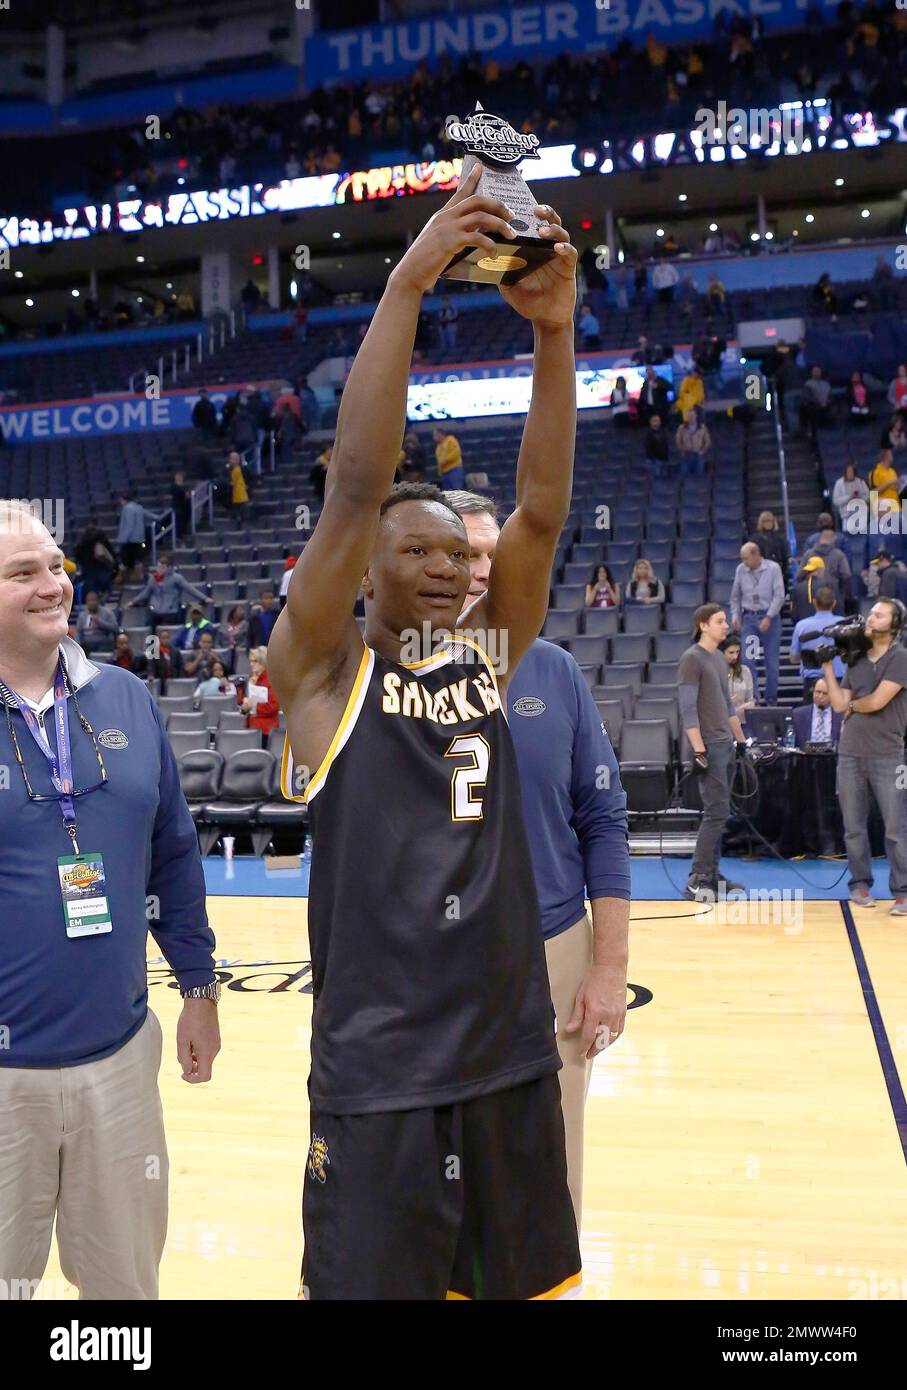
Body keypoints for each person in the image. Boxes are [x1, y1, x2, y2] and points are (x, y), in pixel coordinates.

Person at [268, 165, 582, 1300]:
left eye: (460, 554)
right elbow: (356, 485)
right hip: (382, 1075)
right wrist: (407, 280)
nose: (451, 567)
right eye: (424, 552)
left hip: (503, 1053)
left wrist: (555, 336)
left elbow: (541, 512)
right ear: (369, 571)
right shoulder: (322, 673)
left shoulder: (490, 660)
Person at [0, 499, 219, 1300]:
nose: (52, 584)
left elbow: (174, 852)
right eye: (23, 572)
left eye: (56, 565)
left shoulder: (126, 697)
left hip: (121, 1062)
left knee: (123, 1292)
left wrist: (199, 989)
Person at [444, 489, 630, 1233]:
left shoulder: (554, 672)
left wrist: (609, 968)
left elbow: (604, 820)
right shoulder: (376, 676)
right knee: (432, 1168)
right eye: (464, 553)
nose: (483, 570)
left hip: (550, 946)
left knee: (548, 1168)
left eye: (494, 553)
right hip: (431, 959)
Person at [822, 598, 907, 914]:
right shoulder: (855, 660)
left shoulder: (901, 658)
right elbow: (838, 704)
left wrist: (853, 706)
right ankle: (860, 883)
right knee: (853, 825)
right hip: (850, 754)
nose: (871, 618)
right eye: (871, 613)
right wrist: (828, 667)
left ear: (895, 625)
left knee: (896, 828)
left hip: (890, 755)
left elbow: (874, 702)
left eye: (879, 614)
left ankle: (902, 891)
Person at [678, 603, 746, 902]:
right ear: (703, 624)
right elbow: (687, 707)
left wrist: (741, 741)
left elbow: (728, 706)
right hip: (707, 745)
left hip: (724, 744)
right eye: (719, 621)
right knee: (715, 812)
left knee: (721, 813)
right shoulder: (692, 659)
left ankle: (713, 875)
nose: (725, 626)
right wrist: (698, 748)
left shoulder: (719, 659)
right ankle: (698, 877)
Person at [730, 541, 785, 703]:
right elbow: (735, 597)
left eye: (746, 558)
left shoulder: (773, 568)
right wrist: (735, 615)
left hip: (771, 620)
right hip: (750, 620)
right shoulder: (741, 570)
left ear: (756, 554)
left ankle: (771, 698)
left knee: (771, 662)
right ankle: (754, 697)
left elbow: (779, 595)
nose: (744, 562)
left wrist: (769, 616)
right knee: (749, 659)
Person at [125, 554, 209, 632]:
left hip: (171, 612)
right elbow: (145, 593)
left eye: (162, 567)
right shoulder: (153, 579)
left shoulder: (176, 578)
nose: (160, 569)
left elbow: (190, 589)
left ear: (168, 568)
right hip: (156, 611)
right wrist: (133, 601)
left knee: (165, 634)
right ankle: (152, 648)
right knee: (151, 632)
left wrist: (205, 598)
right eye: (158, 567)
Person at [789, 584, 845, 700]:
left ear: (814, 602)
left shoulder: (801, 626)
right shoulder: (844, 625)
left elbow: (793, 658)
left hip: (812, 683)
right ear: (834, 603)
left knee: (810, 717)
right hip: (839, 681)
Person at [792, 677, 843, 749]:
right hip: (805, 758)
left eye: (825, 693)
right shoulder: (797, 715)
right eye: (818, 692)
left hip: (832, 757)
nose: (820, 696)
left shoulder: (841, 715)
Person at [239, 646, 279, 735]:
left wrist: (253, 706)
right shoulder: (251, 678)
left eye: (255, 661)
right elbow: (243, 700)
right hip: (251, 727)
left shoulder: (272, 680)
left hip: (266, 730)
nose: (251, 664)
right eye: (251, 661)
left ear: (263, 662)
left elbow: (273, 707)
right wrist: (244, 706)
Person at [115, 493, 147, 583]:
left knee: (124, 559)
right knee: (137, 558)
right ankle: (137, 576)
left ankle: (121, 577)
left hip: (130, 539)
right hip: (139, 538)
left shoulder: (127, 508)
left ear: (123, 499)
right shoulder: (139, 507)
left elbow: (129, 525)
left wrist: (123, 539)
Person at [722, 634, 755, 720]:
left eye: (737, 652)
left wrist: (749, 705)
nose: (735, 656)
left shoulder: (745, 671)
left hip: (743, 720)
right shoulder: (715, 672)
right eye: (731, 652)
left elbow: (751, 699)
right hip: (724, 722)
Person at [749, 512, 788, 581]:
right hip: (760, 572)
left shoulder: (780, 538)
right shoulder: (754, 539)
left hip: (778, 570)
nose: (768, 523)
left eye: (770, 521)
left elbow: (784, 556)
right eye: (765, 521)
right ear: (761, 522)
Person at [675, 407, 710, 475]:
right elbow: (678, 440)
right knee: (685, 475)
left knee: (699, 475)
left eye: (692, 416)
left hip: (698, 455)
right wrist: (682, 451)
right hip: (686, 455)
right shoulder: (682, 427)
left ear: (696, 416)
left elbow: (707, 441)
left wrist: (702, 451)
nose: (691, 418)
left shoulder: (702, 427)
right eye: (689, 416)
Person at [801, 366, 833, 437]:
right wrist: (819, 403)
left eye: (818, 371)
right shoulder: (808, 384)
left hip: (826, 407)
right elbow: (807, 397)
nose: (816, 373)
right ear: (812, 373)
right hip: (814, 408)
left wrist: (826, 402)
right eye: (815, 371)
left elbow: (830, 396)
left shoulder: (826, 384)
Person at [433, 426, 464, 490]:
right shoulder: (438, 447)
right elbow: (439, 461)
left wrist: (445, 460)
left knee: (456, 490)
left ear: (441, 434)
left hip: (454, 469)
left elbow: (456, 452)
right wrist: (440, 470)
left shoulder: (450, 440)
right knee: (448, 492)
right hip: (444, 472)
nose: (434, 437)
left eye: (435, 435)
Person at [644, 412, 671, 478]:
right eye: (655, 421)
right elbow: (648, 448)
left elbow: (666, 445)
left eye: (658, 420)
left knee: (664, 479)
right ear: (650, 422)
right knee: (656, 481)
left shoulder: (663, 432)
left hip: (664, 459)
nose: (657, 422)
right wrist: (654, 458)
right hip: (654, 461)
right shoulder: (648, 434)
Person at [229, 452, 250, 525]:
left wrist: (230, 484)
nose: (230, 461)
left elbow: (233, 482)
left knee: (240, 508)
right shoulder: (236, 470)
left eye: (232, 459)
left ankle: (240, 520)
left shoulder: (236, 471)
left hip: (239, 493)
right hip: (239, 493)